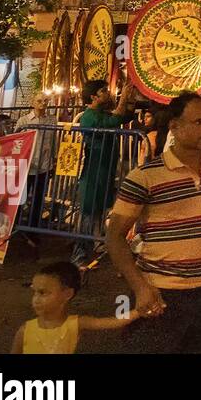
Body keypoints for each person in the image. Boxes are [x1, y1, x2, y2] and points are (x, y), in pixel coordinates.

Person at [106, 91, 201, 353]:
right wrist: (140, 287)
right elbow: (115, 236)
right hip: (162, 290)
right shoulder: (145, 177)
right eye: (199, 122)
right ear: (174, 126)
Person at [72, 79, 136, 268]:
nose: (108, 93)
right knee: (88, 213)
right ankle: (79, 256)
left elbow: (124, 118)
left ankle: (98, 244)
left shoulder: (100, 113)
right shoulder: (89, 116)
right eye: (104, 91)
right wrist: (123, 99)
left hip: (105, 170)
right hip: (93, 172)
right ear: (93, 97)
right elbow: (115, 120)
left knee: (99, 211)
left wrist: (129, 102)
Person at [11, 261, 136, 354]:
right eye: (35, 292)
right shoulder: (25, 331)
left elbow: (114, 322)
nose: (36, 299)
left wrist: (140, 310)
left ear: (67, 294)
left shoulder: (75, 323)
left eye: (43, 293)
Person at [15, 95, 59, 246]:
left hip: (44, 164)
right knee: (21, 197)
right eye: (39, 101)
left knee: (39, 199)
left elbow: (53, 141)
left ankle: (32, 229)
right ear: (32, 102)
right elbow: (17, 141)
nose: (43, 104)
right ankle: (16, 226)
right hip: (27, 165)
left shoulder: (51, 120)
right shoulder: (24, 121)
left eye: (45, 101)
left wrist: (54, 158)